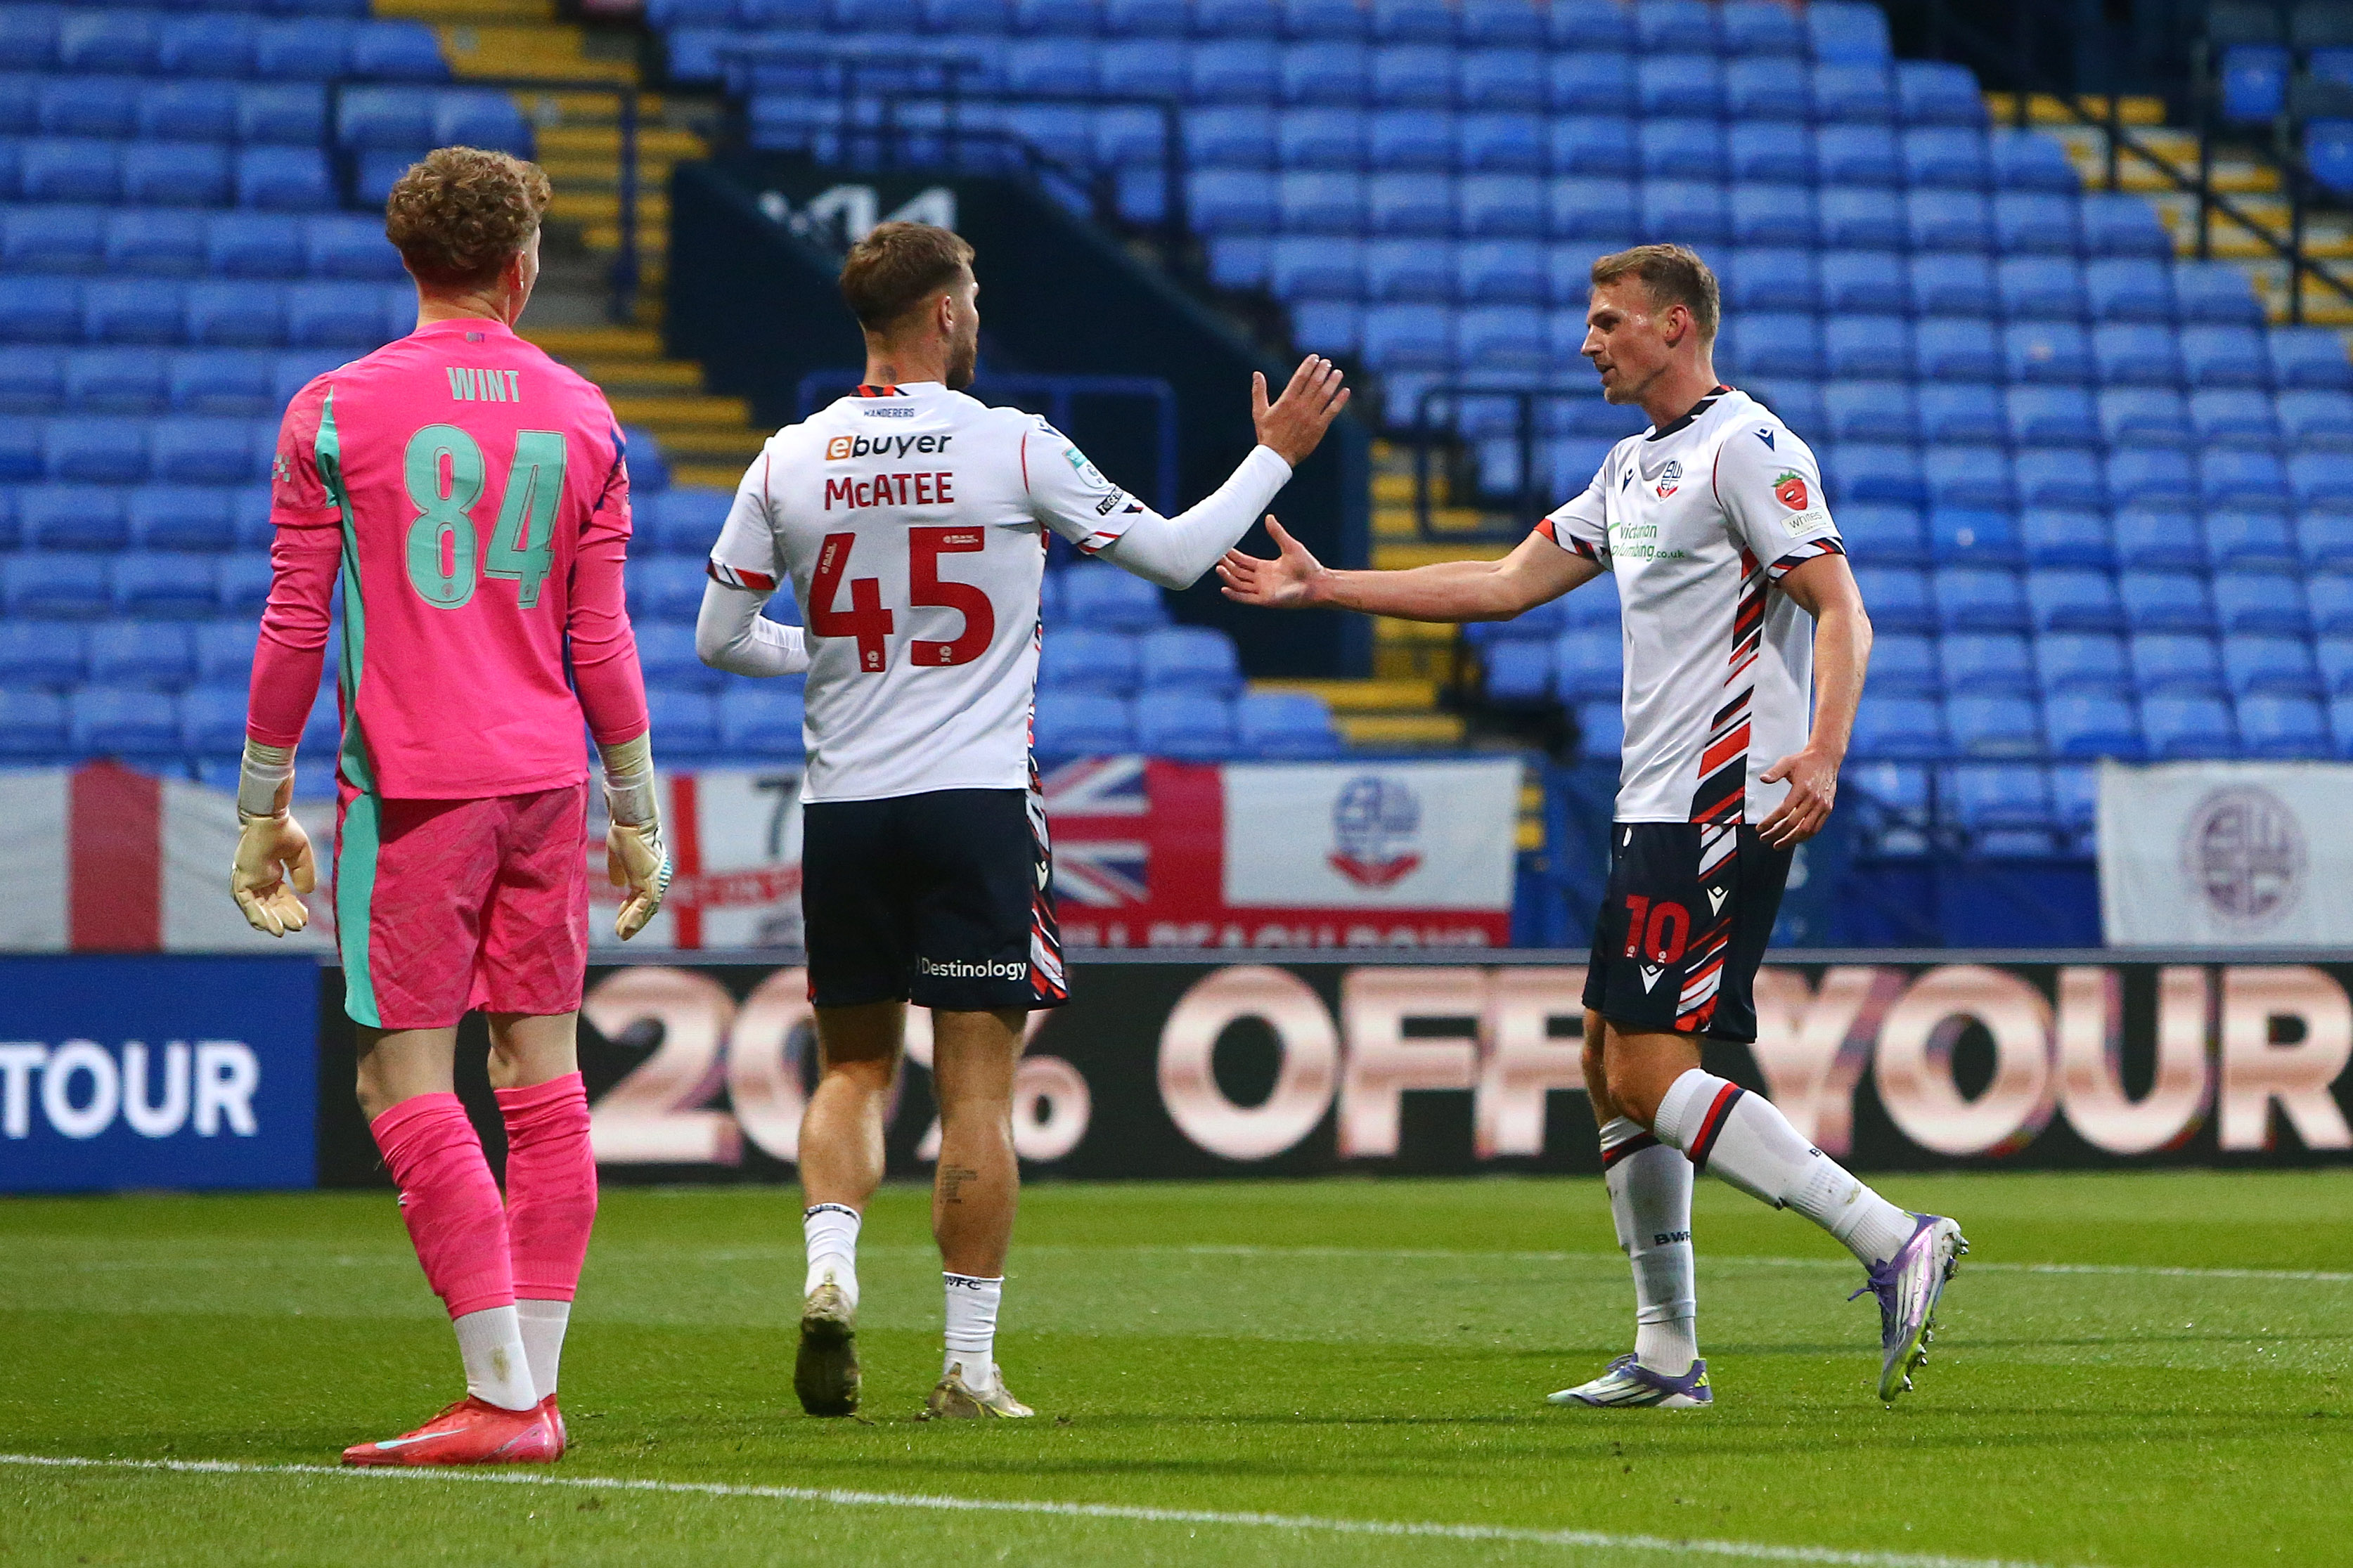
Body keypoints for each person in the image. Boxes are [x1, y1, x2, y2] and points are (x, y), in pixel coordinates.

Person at [1218, 244, 1964, 1408]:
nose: (1589, 340)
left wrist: (1822, 749)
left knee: (1652, 1065)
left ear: (1677, 325)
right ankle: (1668, 1354)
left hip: (1724, 800)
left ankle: (1889, 1236)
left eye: (1610, 321)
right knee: (1605, 1065)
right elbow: (1506, 582)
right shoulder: (1630, 467)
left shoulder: (1749, 449)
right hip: (1650, 802)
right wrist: (1329, 589)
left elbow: (1841, 606)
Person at [697, 221, 1348, 1419]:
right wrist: (1274, 460)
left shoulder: (788, 459)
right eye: (977, 290)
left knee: (850, 1067)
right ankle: (966, 1368)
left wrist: (835, 654)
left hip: (846, 809)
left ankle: (831, 1268)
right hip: (975, 805)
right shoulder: (1011, 446)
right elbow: (1176, 554)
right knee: (978, 1096)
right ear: (946, 312)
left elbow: (719, 639)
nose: (980, 310)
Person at [227, 146, 674, 1465]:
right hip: (544, 782)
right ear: (522, 268)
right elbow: (603, 638)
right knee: (543, 1079)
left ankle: (502, 1396)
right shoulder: (587, 415)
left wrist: (265, 801)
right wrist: (634, 807)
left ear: (411, 260)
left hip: (410, 791)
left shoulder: (334, 412)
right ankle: (529, 1391)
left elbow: (296, 620)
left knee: (399, 1074)